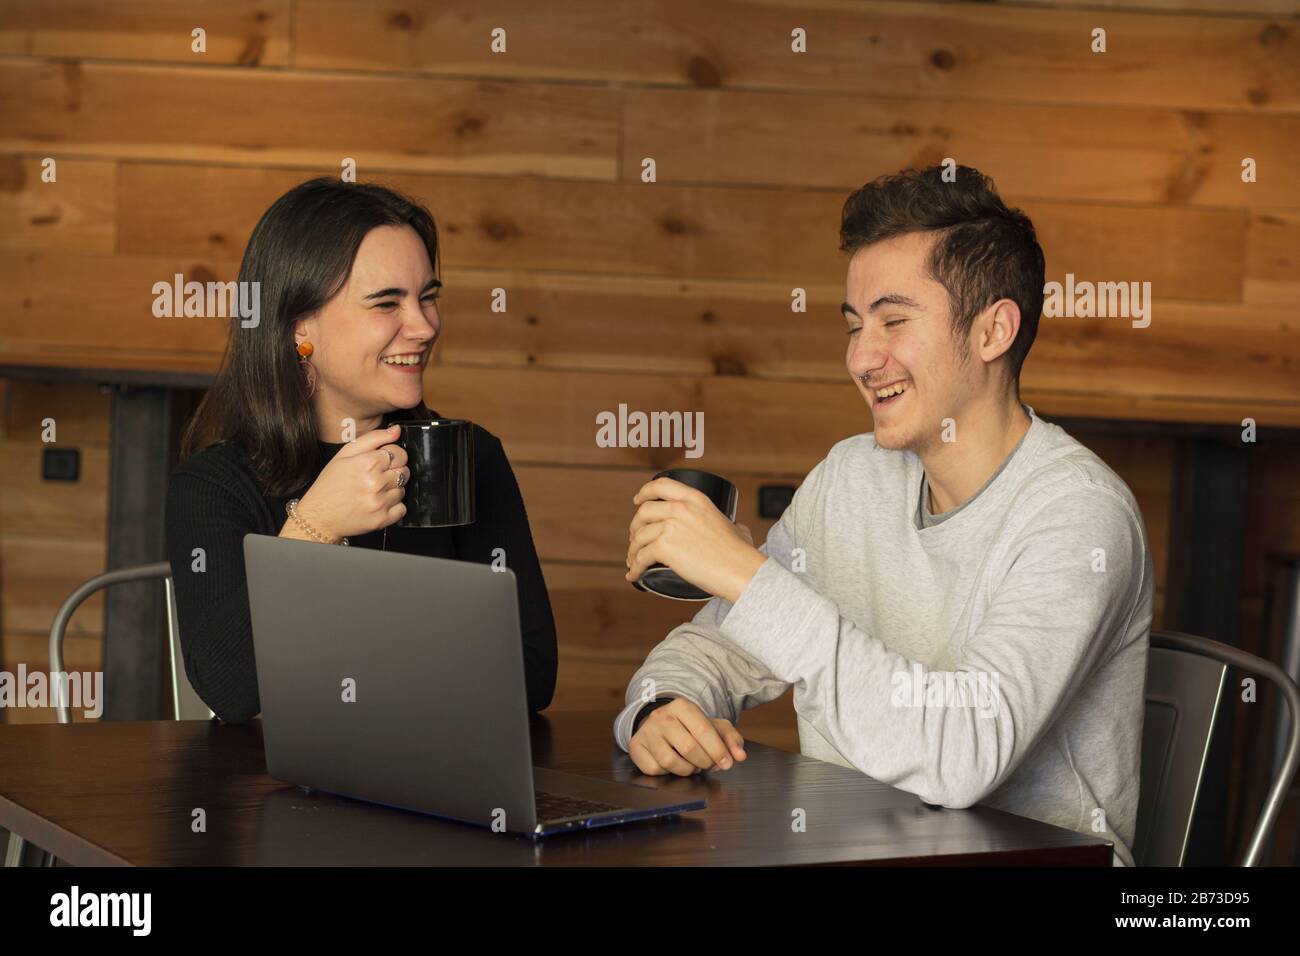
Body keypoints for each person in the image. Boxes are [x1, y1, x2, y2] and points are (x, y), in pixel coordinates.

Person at [615, 165, 1153, 866]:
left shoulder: (1079, 517)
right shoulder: (852, 477)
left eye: (894, 321)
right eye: (855, 325)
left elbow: (963, 757)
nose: (862, 357)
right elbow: (718, 649)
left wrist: (747, 578)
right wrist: (659, 710)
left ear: (993, 331)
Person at [165, 179, 557, 722]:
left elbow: (531, 676)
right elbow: (234, 691)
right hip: (281, 792)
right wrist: (316, 528)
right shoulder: (214, 485)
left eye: (428, 297)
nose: (423, 327)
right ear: (300, 329)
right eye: (386, 303)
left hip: (437, 780)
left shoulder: (467, 457)